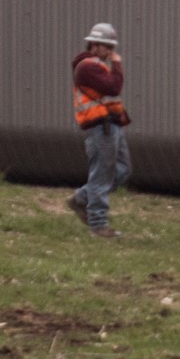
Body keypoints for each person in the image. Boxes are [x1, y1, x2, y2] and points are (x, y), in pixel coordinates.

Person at [69, 22, 130, 237]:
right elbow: (114, 86)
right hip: (101, 128)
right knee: (102, 176)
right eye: (109, 48)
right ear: (97, 45)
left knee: (122, 170)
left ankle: (81, 198)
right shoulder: (88, 66)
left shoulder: (96, 66)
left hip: (111, 125)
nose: (111, 53)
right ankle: (98, 224)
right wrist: (117, 64)